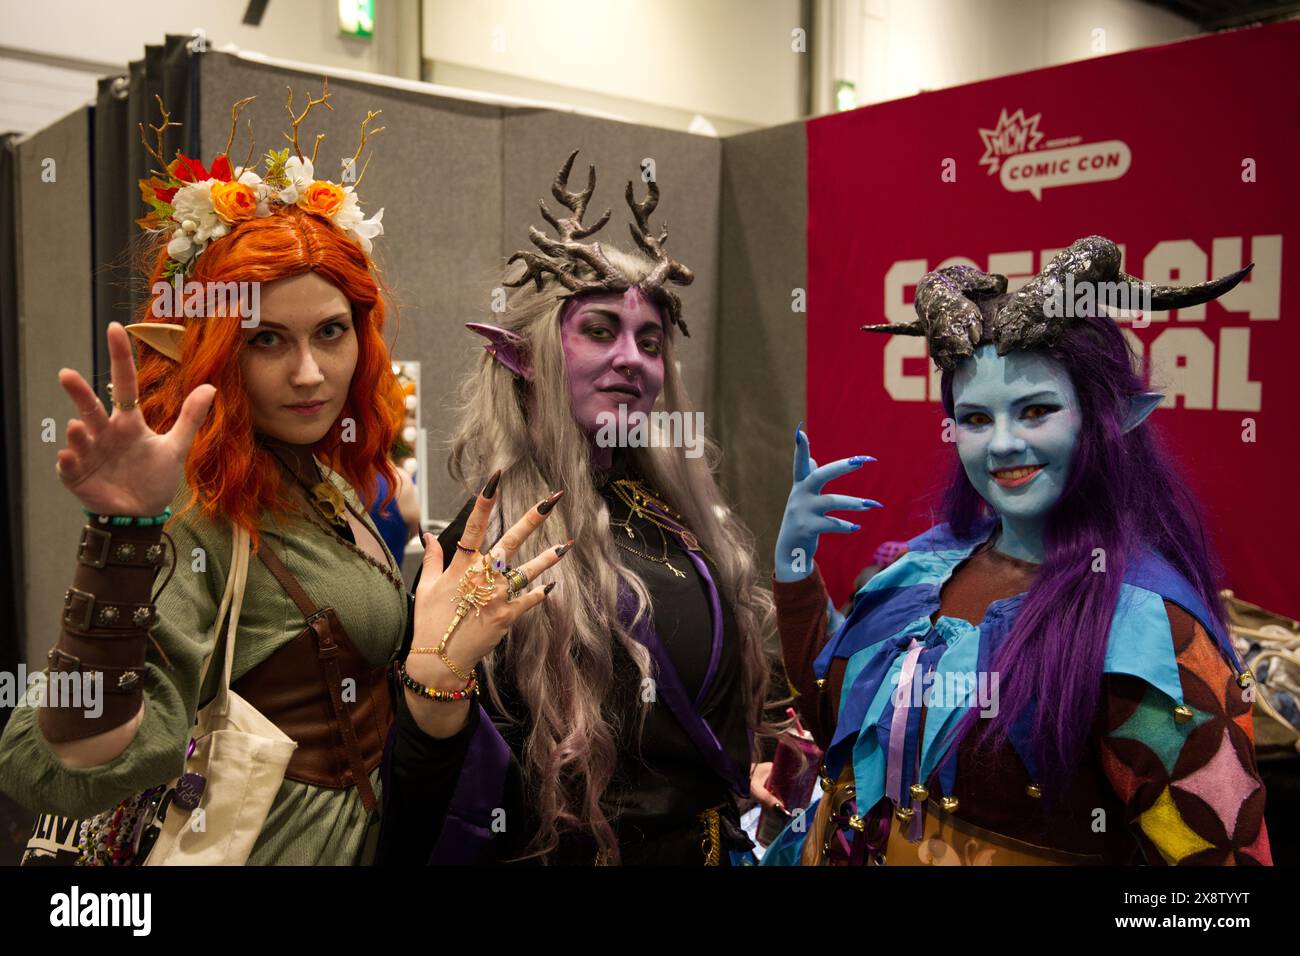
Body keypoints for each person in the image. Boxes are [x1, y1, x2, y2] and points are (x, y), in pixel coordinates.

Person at [764, 236, 1273, 866]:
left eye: (1035, 411)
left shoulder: (1148, 632)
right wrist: (796, 573)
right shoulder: (924, 566)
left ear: (1107, 417)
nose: (1002, 444)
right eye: (976, 419)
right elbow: (836, 720)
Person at [0, 87, 411, 864]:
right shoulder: (202, 506)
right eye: (264, 341)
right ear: (218, 352)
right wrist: (120, 534)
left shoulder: (322, 474)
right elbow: (63, 762)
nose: (308, 373)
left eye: (331, 332)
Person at [379, 152, 781, 865]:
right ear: (524, 357)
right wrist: (432, 681)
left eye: (650, 342)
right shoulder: (490, 539)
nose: (632, 358)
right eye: (599, 331)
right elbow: (430, 794)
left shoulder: (671, 516)